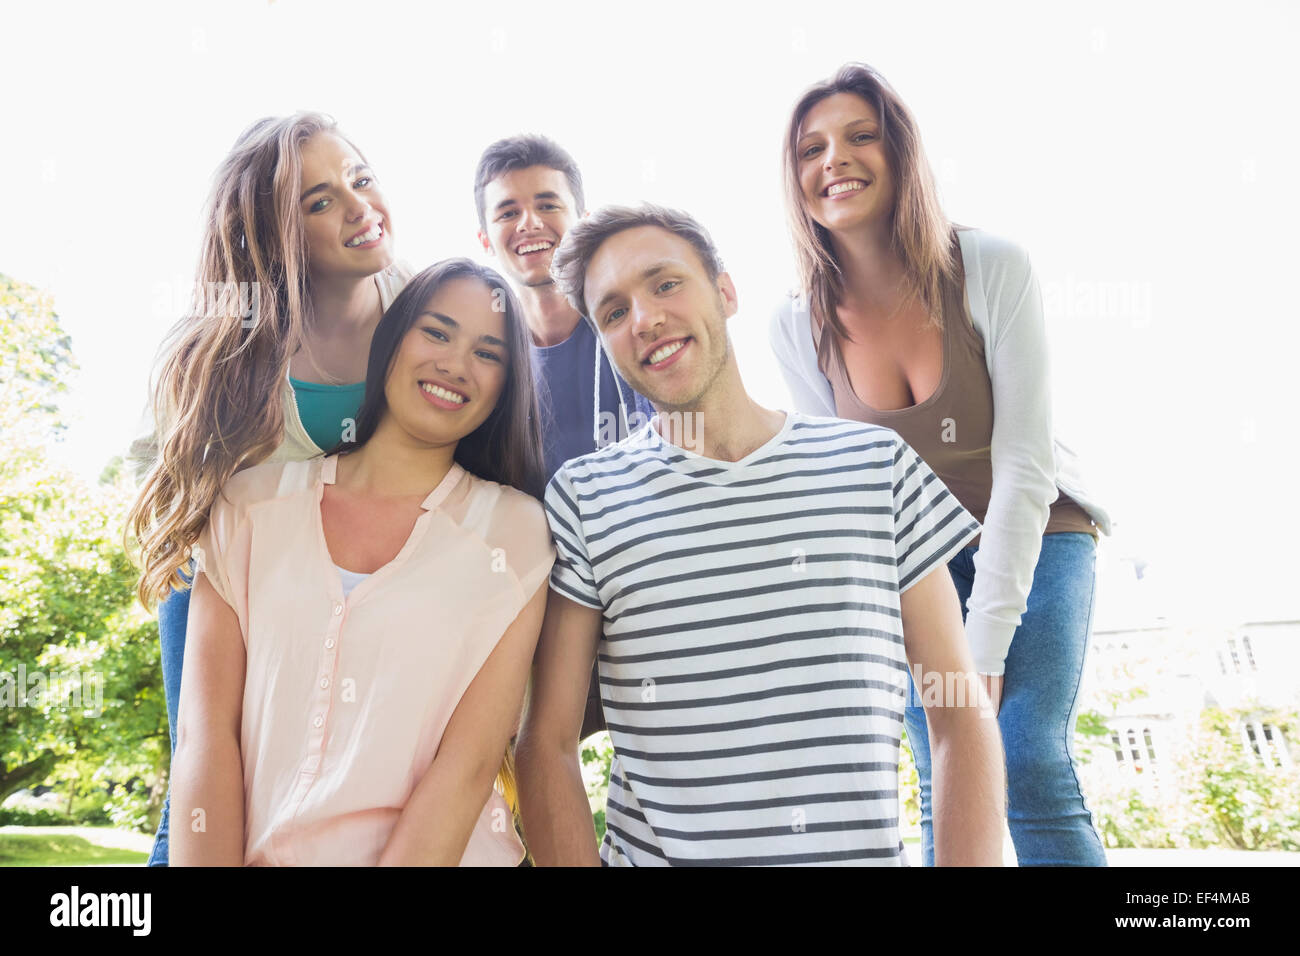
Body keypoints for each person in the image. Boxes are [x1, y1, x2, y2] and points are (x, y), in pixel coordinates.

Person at [515, 203, 1005, 866]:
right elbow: (545, 746)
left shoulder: (875, 464)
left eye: (665, 284)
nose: (645, 319)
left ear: (724, 290)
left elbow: (956, 710)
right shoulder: (584, 497)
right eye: (613, 312)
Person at [770, 63, 1112, 866]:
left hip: (1038, 531)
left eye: (860, 136)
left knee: (1023, 753)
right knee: (944, 767)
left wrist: (980, 657)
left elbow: (1025, 464)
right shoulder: (796, 324)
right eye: (810, 148)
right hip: (915, 565)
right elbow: (845, 495)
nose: (835, 160)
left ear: (899, 151)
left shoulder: (990, 265)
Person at [169, 259, 554, 866]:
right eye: (436, 331)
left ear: (506, 387)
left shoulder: (516, 534)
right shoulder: (249, 507)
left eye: (488, 353)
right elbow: (204, 737)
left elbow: (469, 764)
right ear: (391, 339)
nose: (454, 364)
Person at [125, 112, 411, 865]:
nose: (358, 208)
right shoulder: (223, 350)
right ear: (270, 233)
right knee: (205, 776)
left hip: (372, 588)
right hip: (231, 576)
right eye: (318, 201)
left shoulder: (429, 317)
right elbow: (171, 482)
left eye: (361, 178)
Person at [474, 134, 654, 741]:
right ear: (484, 239)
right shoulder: (479, 365)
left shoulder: (637, 334)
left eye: (549, 204)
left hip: (646, 606)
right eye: (507, 211)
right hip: (535, 621)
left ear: (580, 220)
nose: (530, 223)